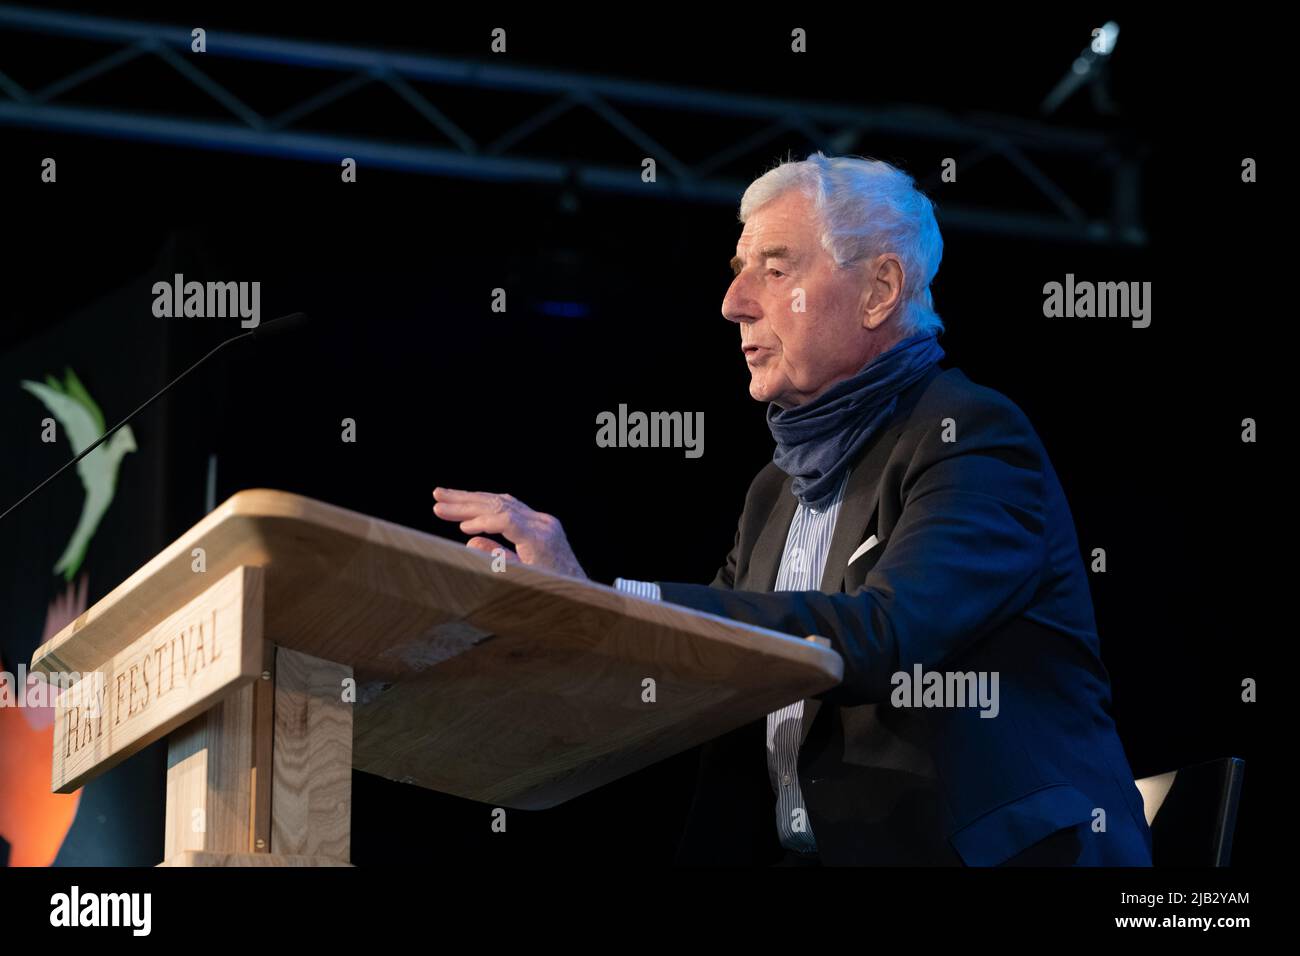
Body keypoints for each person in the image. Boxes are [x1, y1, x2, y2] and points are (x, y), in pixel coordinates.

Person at [433, 152, 1152, 866]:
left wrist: (600, 597)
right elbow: (701, 662)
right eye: (739, 270)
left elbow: (889, 634)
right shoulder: (774, 489)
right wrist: (548, 621)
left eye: (775, 271)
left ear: (879, 291)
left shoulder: (968, 435)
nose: (734, 302)